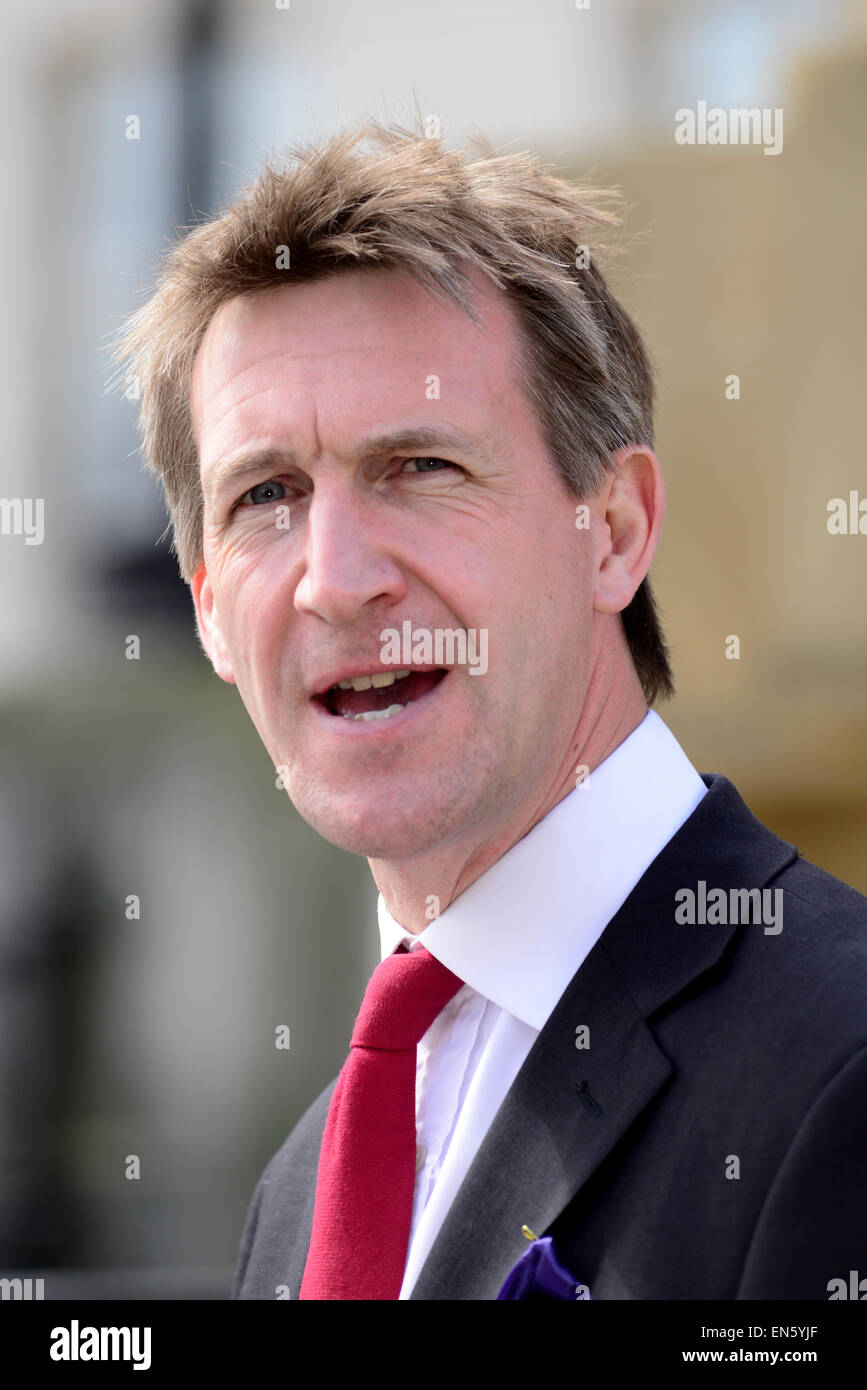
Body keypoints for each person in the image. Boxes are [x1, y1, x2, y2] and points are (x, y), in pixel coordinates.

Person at [112, 117, 867, 1301]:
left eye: (420, 467)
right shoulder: (296, 1192)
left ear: (611, 532)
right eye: (267, 495)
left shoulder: (842, 1068)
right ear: (209, 611)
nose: (334, 576)